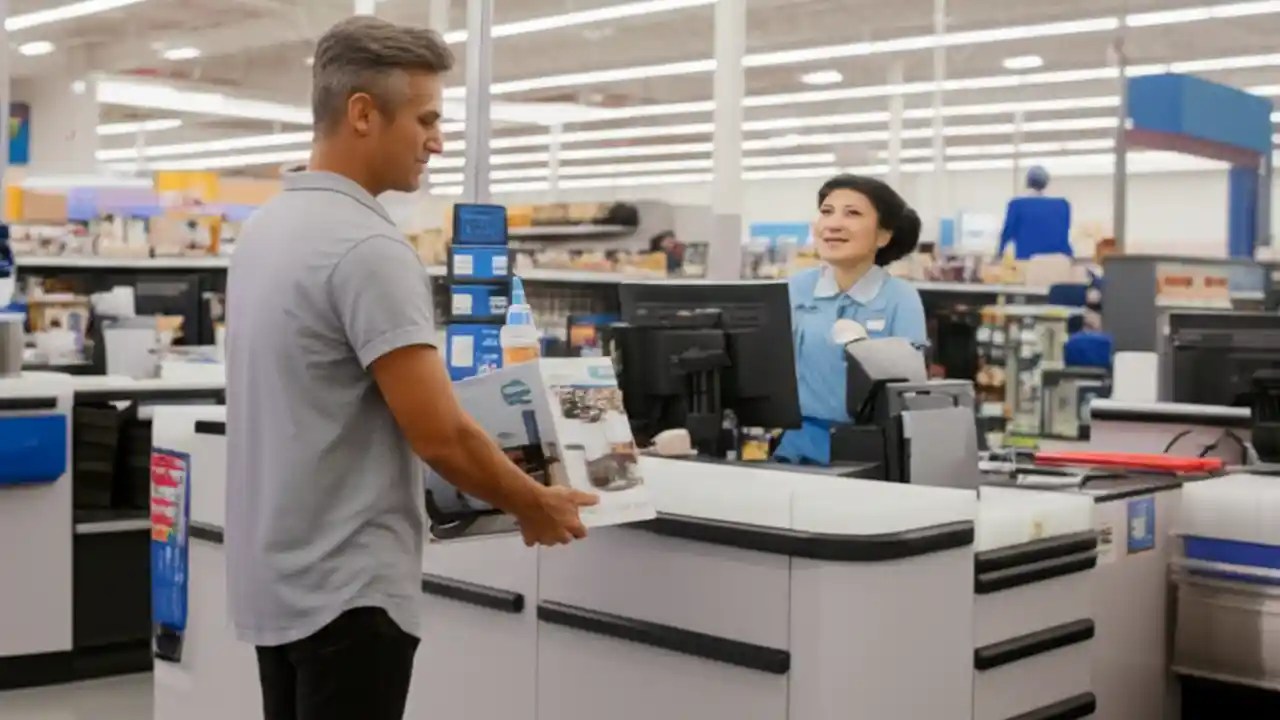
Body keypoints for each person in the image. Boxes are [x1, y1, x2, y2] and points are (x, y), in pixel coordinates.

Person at [224, 17, 598, 720]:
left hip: (275, 574)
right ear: (363, 113)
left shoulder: (265, 231)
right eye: (426, 118)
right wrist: (533, 502)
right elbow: (440, 435)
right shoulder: (369, 246)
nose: (438, 140)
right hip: (349, 589)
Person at [773, 174, 928, 466]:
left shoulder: (900, 298)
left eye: (853, 213)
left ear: (883, 235)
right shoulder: (796, 289)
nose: (833, 224)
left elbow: (911, 391)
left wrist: (869, 351)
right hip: (796, 445)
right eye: (826, 212)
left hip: (869, 450)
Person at [998, 165, 1073, 260]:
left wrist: (999, 254)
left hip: (1027, 263)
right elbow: (1064, 232)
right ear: (1046, 183)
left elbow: (1007, 233)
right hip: (1060, 263)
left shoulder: (1017, 205)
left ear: (1027, 183)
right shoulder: (1063, 205)